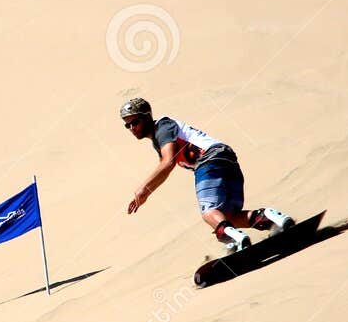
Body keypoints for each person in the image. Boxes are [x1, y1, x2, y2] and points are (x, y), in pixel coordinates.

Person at [119, 98, 294, 253]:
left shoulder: (162, 127)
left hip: (209, 160)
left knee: (209, 213)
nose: (132, 128)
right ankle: (272, 218)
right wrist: (147, 192)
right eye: (128, 125)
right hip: (226, 160)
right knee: (228, 217)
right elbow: (165, 168)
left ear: (147, 116)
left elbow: (168, 162)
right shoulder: (161, 138)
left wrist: (143, 189)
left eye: (135, 121)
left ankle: (236, 241)